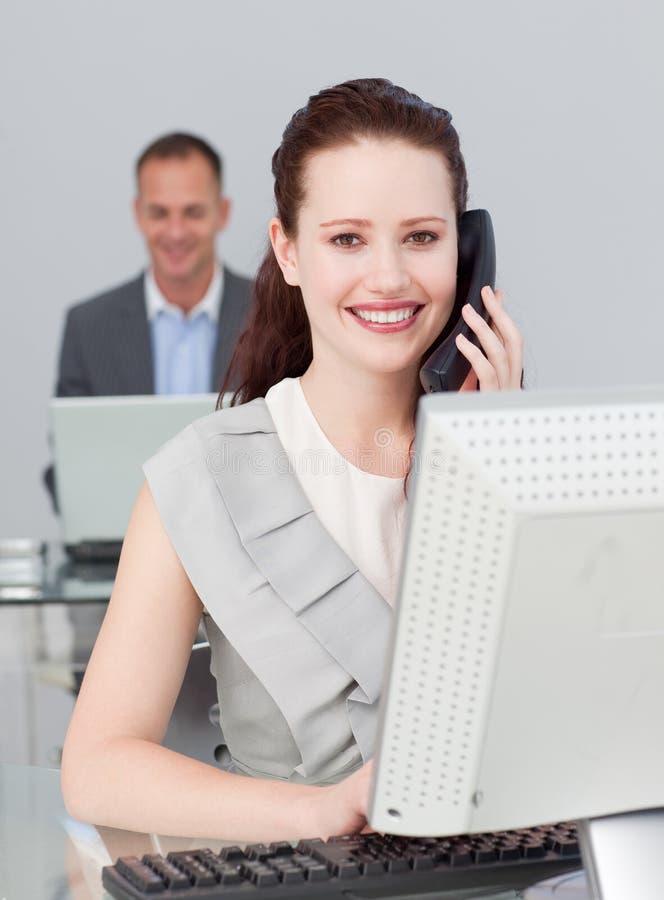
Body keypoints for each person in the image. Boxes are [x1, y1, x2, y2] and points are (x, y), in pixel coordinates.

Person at [61, 78, 523, 842]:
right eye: (347, 239)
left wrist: (494, 467)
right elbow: (97, 767)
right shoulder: (202, 479)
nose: (389, 277)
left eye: (421, 237)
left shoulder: (524, 455)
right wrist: (314, 812)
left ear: (466, 251)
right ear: (289, 250)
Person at [44, 133, 253, 505]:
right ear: (138, 214)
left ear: (222, 213)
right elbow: (70, 466)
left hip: (249, 535)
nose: (176, 232)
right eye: (159, 213)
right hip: (124, 534)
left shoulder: (276, 314)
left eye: (193, 212)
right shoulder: (88, 328)